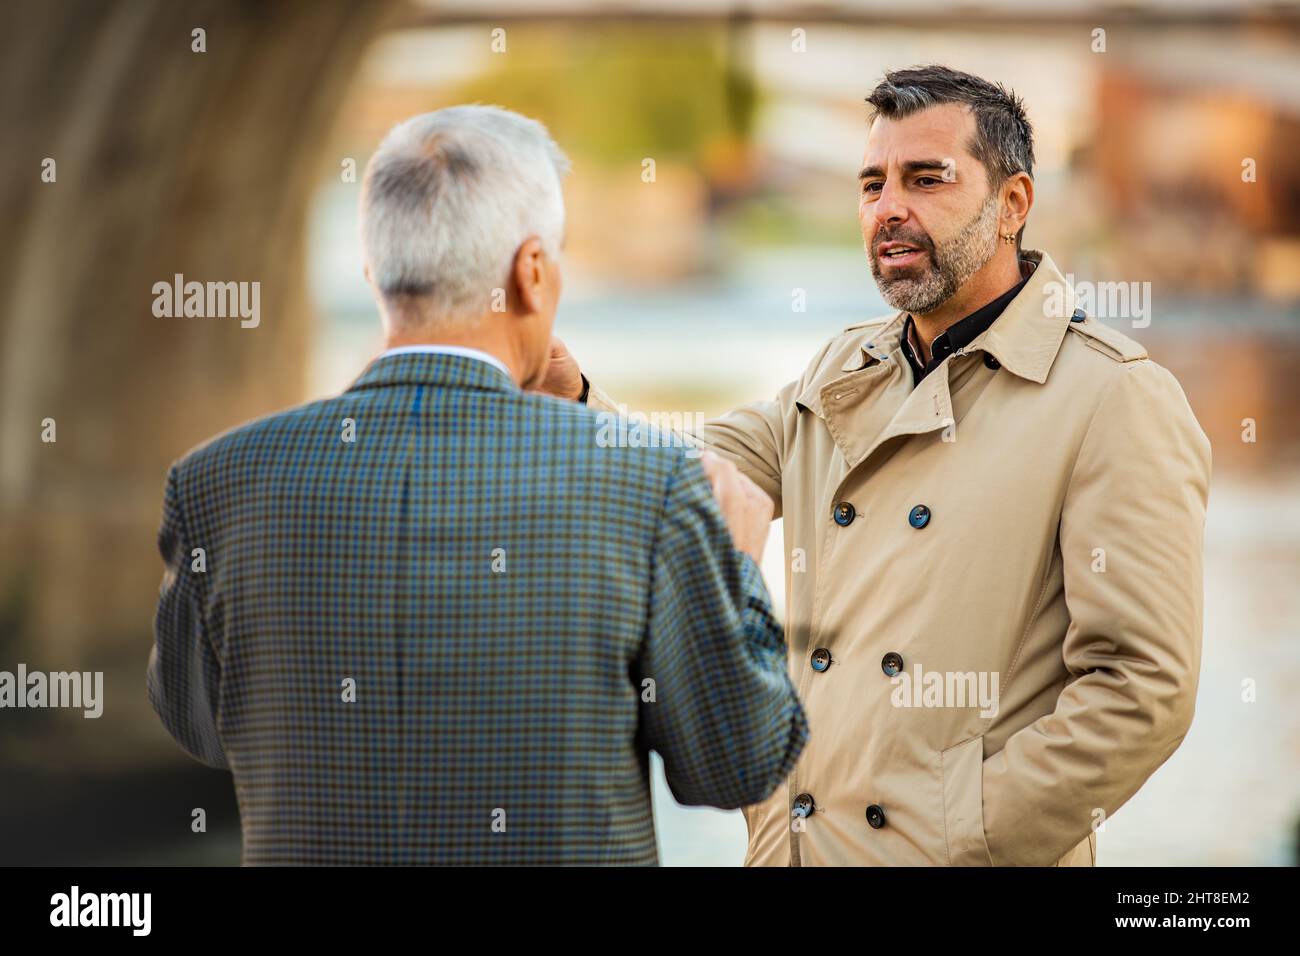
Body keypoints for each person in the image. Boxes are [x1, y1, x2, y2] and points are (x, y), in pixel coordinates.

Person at [541, 66, 1213, 866]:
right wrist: (573, 393)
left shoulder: (1113, 396)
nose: (888, 208)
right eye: (872, 184)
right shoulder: (844, 364)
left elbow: (1142, 691)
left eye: (926, 179)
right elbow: (694, 472)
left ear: (1014, 204)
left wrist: (963, 832)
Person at [146, 105, 807, 865]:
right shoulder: (648, 487)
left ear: (375, 275)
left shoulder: (217, 481)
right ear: (531, 273)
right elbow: (739, 764)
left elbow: (198, 725)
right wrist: (739, 577)